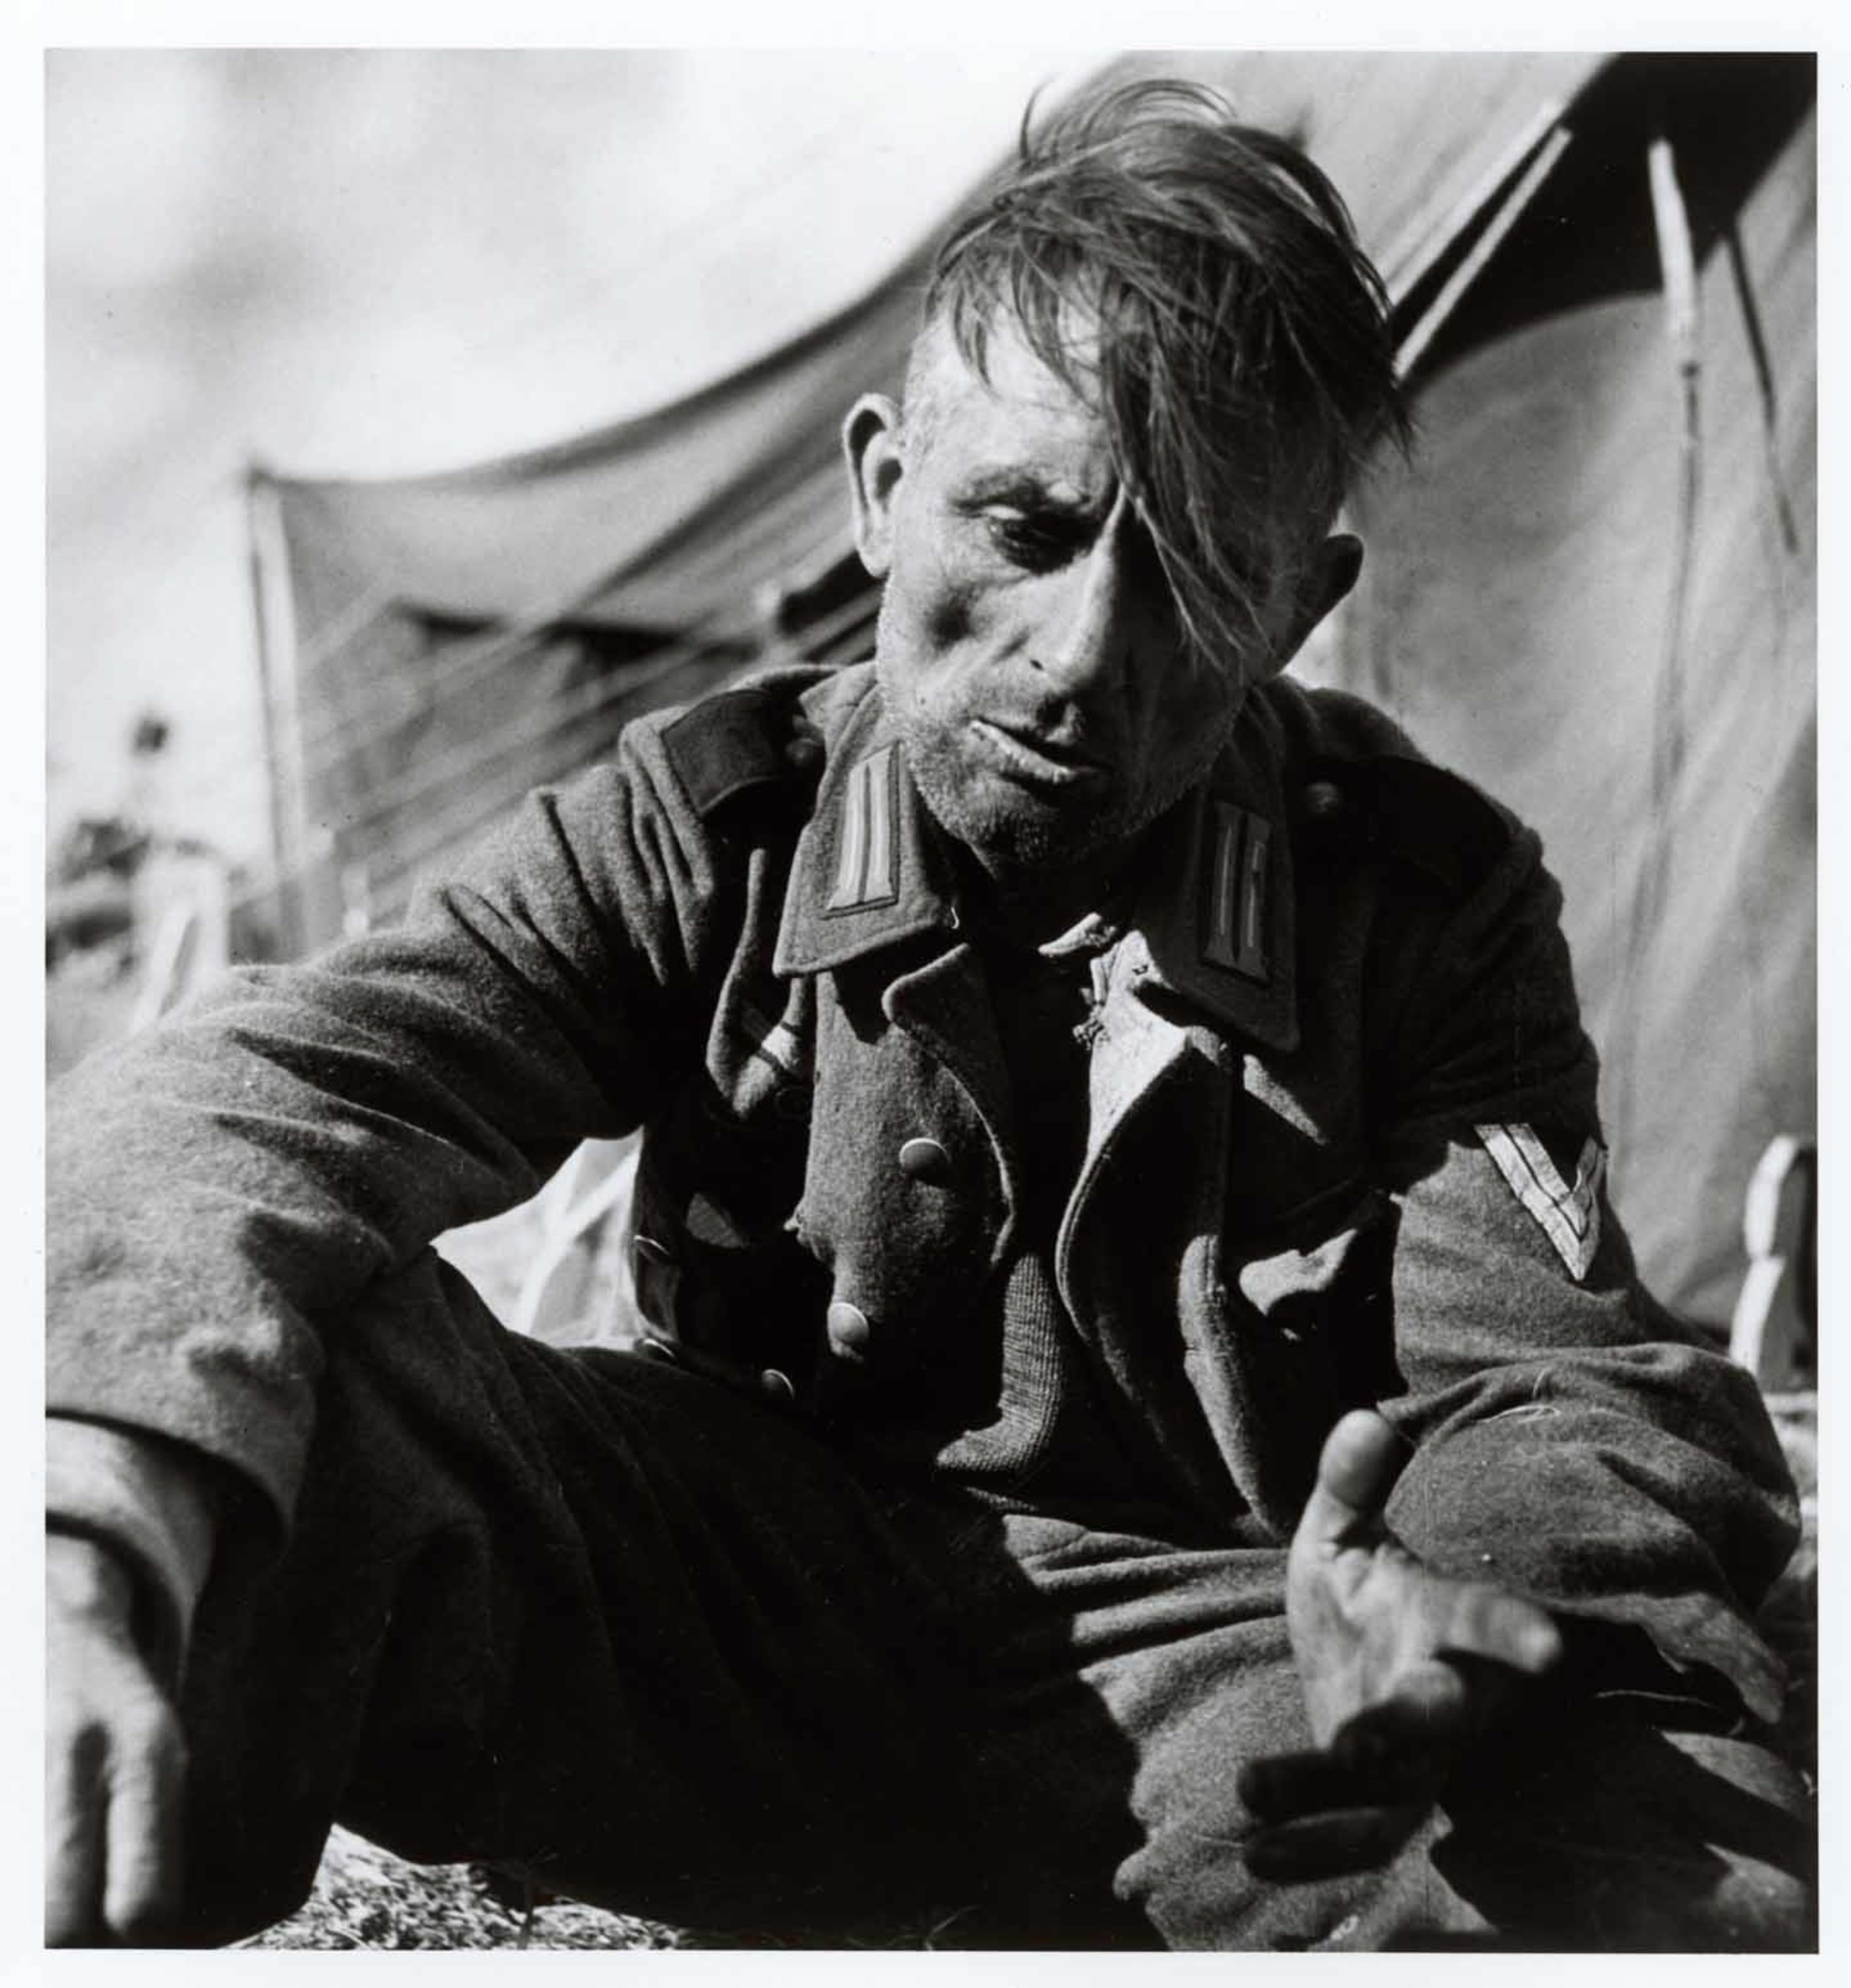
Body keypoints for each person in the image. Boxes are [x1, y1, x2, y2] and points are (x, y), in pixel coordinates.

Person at [46, 78, 1811, 1951]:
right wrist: (85, 1524)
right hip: (725, 1639)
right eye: (1027, 528)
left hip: (1216, 1680)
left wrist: (1486, 1608)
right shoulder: (710, 818)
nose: (1080, 662)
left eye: (1203, 574)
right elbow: (270, 1084)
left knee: (1643, 1803)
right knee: (289, 1380)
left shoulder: (1418, 894)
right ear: (884, 491)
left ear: (1305, 603)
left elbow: (1543, 1372)